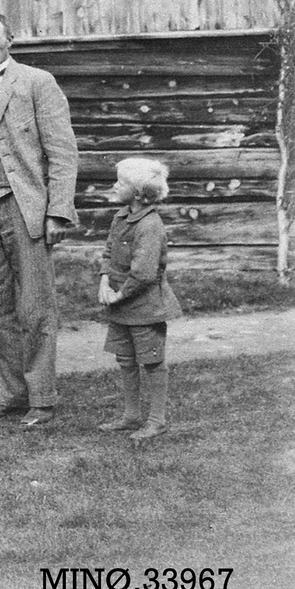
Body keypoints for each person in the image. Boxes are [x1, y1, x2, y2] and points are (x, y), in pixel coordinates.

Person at [0, 14, 78, 428]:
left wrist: (58, 211)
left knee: (35, 307)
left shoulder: (38, 81)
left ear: (11, 39)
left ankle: (41, 398)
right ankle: (8, 393)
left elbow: (62, 152)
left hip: (27, 207)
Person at [98, 156, 181, 442]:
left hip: (145, 306)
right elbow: (108, 252)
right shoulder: (120, 217)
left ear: (136, 192)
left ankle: (157, 421)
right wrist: (104, 281)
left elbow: (144, 272)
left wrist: (119, 294)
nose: (114, 185)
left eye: (120, 182)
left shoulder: (150, 225)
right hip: (120, 305)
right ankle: (131, 416)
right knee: (125, 358)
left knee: (152, 360)